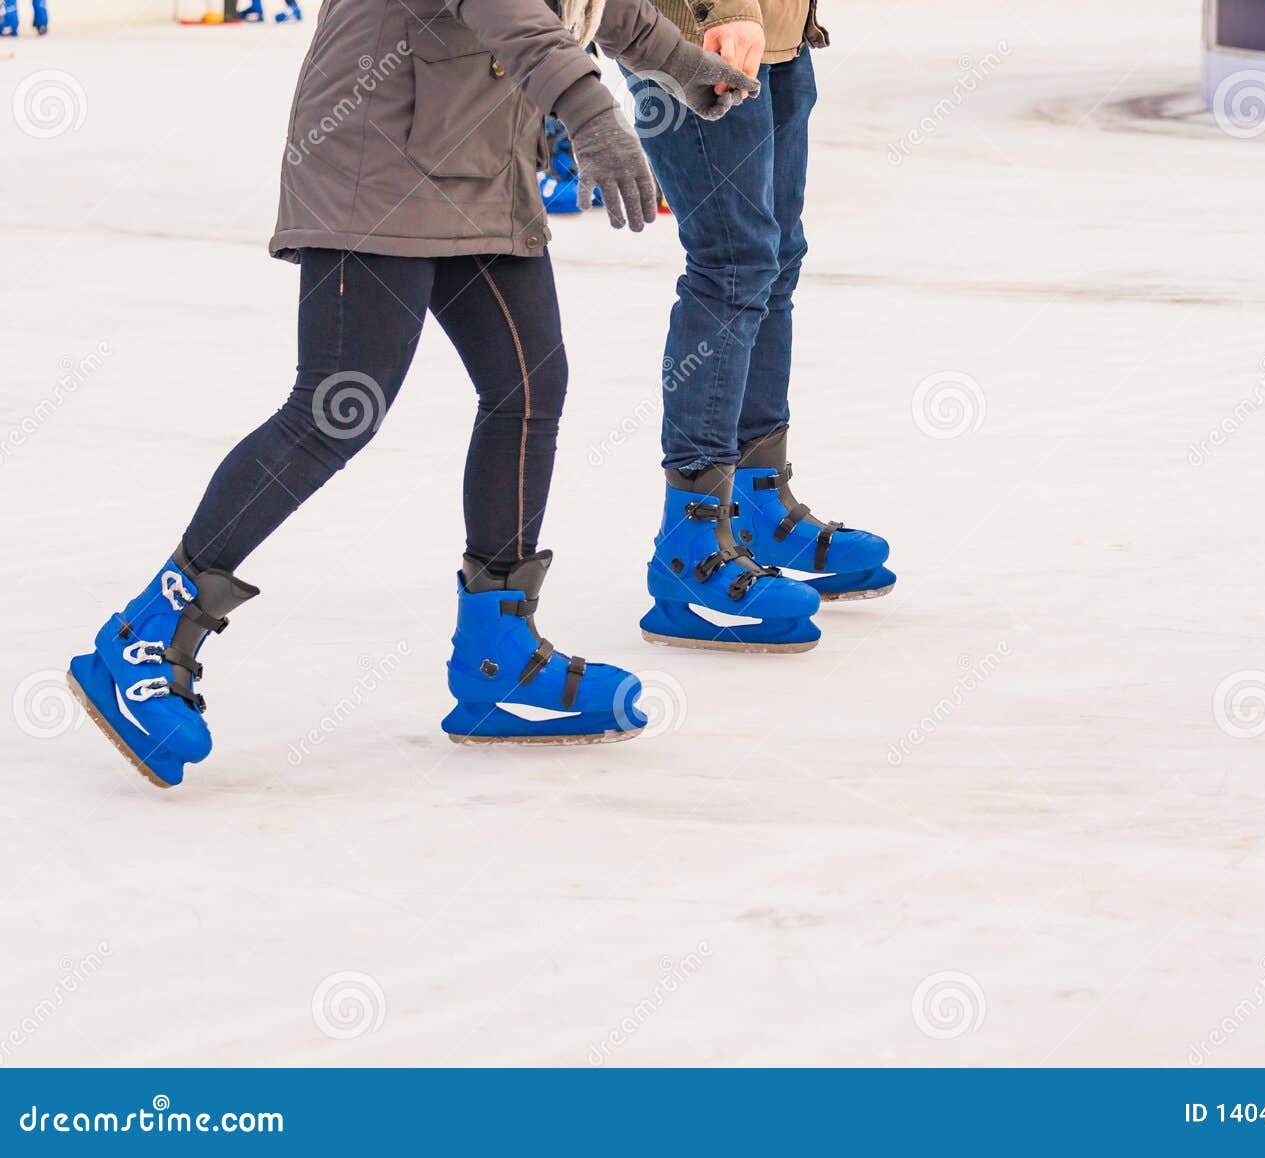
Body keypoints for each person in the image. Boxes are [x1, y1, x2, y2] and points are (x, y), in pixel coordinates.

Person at [67, 0, 759, 789]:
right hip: (376, 159)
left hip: (480, 162)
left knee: (529, 385)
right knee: (334, 410)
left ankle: (500, 653)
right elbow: (519, 20)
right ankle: (147, 633)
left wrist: (686, 66)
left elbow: (609, 9)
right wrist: (593, 112)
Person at [625, 1, 893, 656]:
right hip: (700, 32)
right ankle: (690, 541)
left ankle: (757, 502)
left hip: (775, 35)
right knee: (732, 264)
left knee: (774, 258)